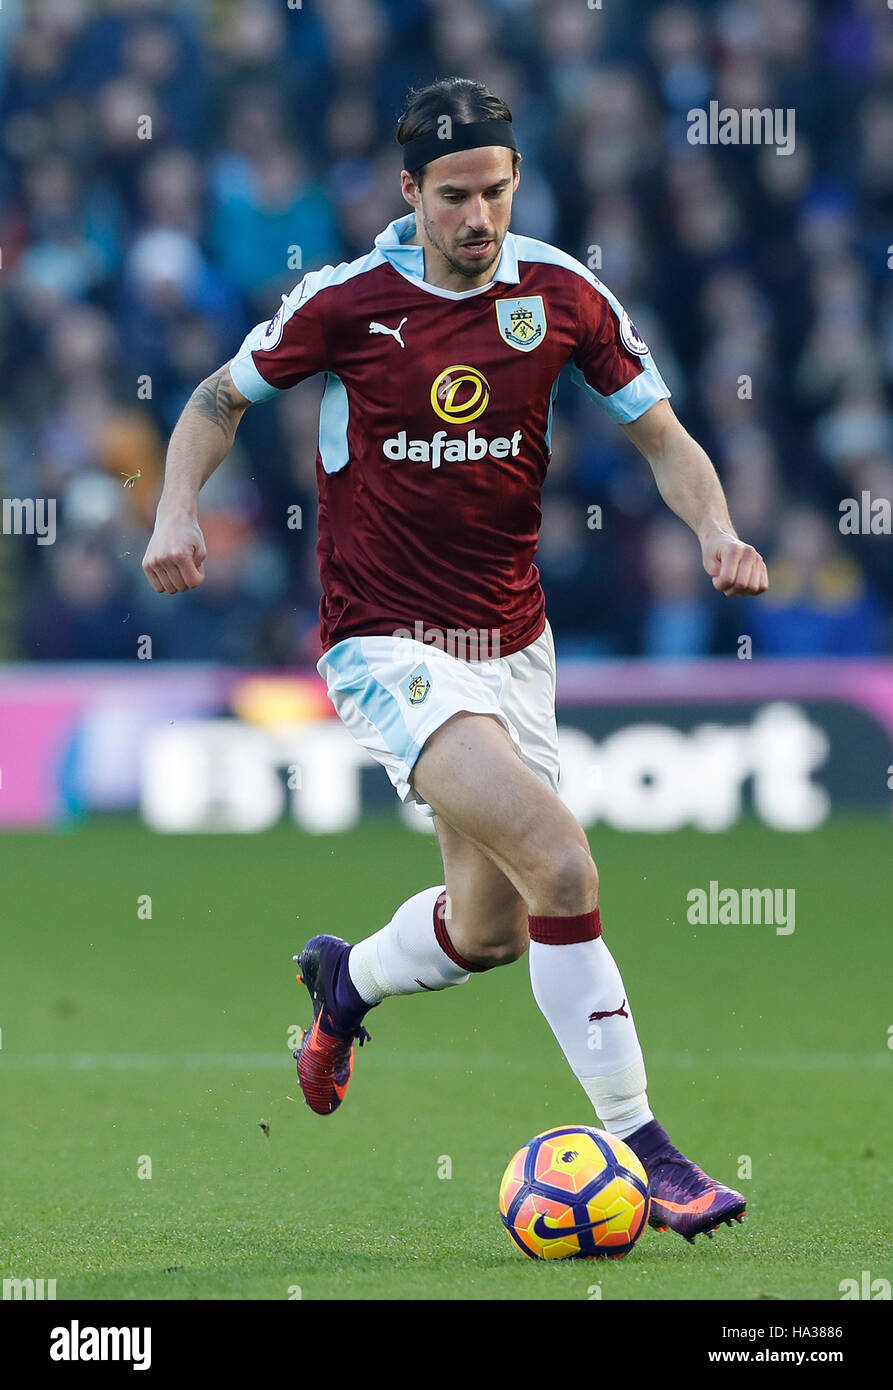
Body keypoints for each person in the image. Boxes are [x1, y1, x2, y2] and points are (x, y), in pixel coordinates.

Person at [142, 78, 768, 1243]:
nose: (476, 218)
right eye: (451, 197)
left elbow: (661, 436)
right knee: (562, 865)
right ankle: (649, 1151)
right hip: (385, 641)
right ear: (408, 193)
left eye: (493, 191)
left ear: (515, 179)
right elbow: (214, 400)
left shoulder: (562, 294)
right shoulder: (345, 302)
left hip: (512, 643)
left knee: (488, 931)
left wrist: (716, 530)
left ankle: (345, 982)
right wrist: (176, 506)